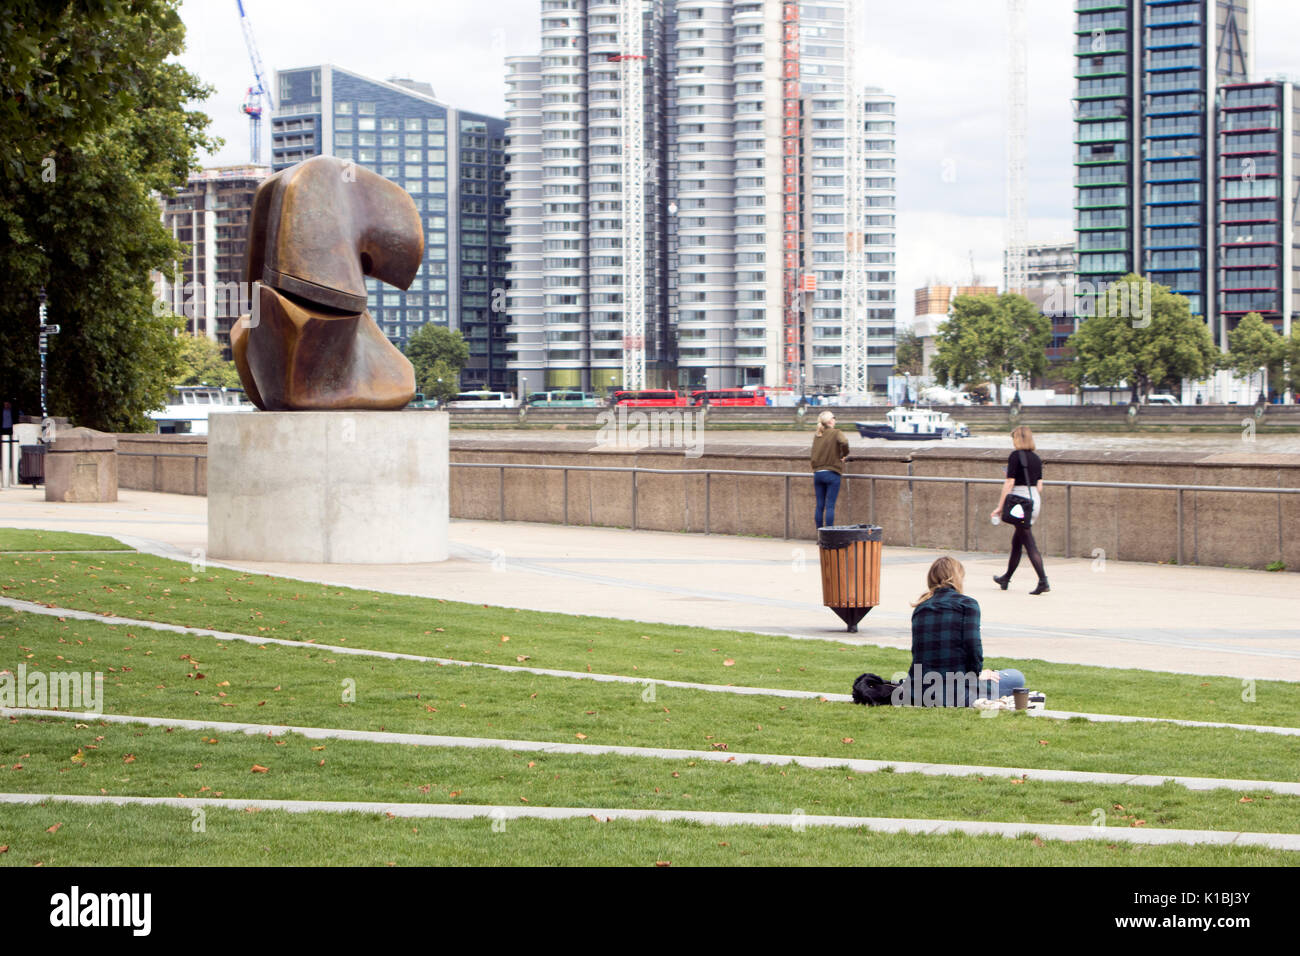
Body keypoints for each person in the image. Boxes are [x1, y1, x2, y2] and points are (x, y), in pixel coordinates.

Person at [896, 556, 1027, 707]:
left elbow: (918, 653)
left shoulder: (920, 608)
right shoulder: (967, 604)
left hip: (920, 689)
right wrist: (977, 675)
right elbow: (973, 647)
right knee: (1016, 677)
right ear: (958, 577)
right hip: (955, 691)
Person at [991, 425, 1049, 595]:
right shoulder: (1037, 459)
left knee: (1029, 543)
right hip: (1033, 501)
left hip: (1019, 502)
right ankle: (1006, 578)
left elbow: (1009, 483)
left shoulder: (1015, 456)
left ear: (1016, 439)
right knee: (1018, 541)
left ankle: (1043, 580)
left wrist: (1000, 507)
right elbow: (1039, 486)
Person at [810, 410, 849, 528]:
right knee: (830, 505)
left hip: (818, 473)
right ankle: (829, 534)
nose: (835, 420)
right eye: (834, 418)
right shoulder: (836, 432)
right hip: (832, 472)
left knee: (819, 505)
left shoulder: (818, 435)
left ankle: (819, 534)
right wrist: (844, 454)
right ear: (830, 420)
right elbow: (844, 442)